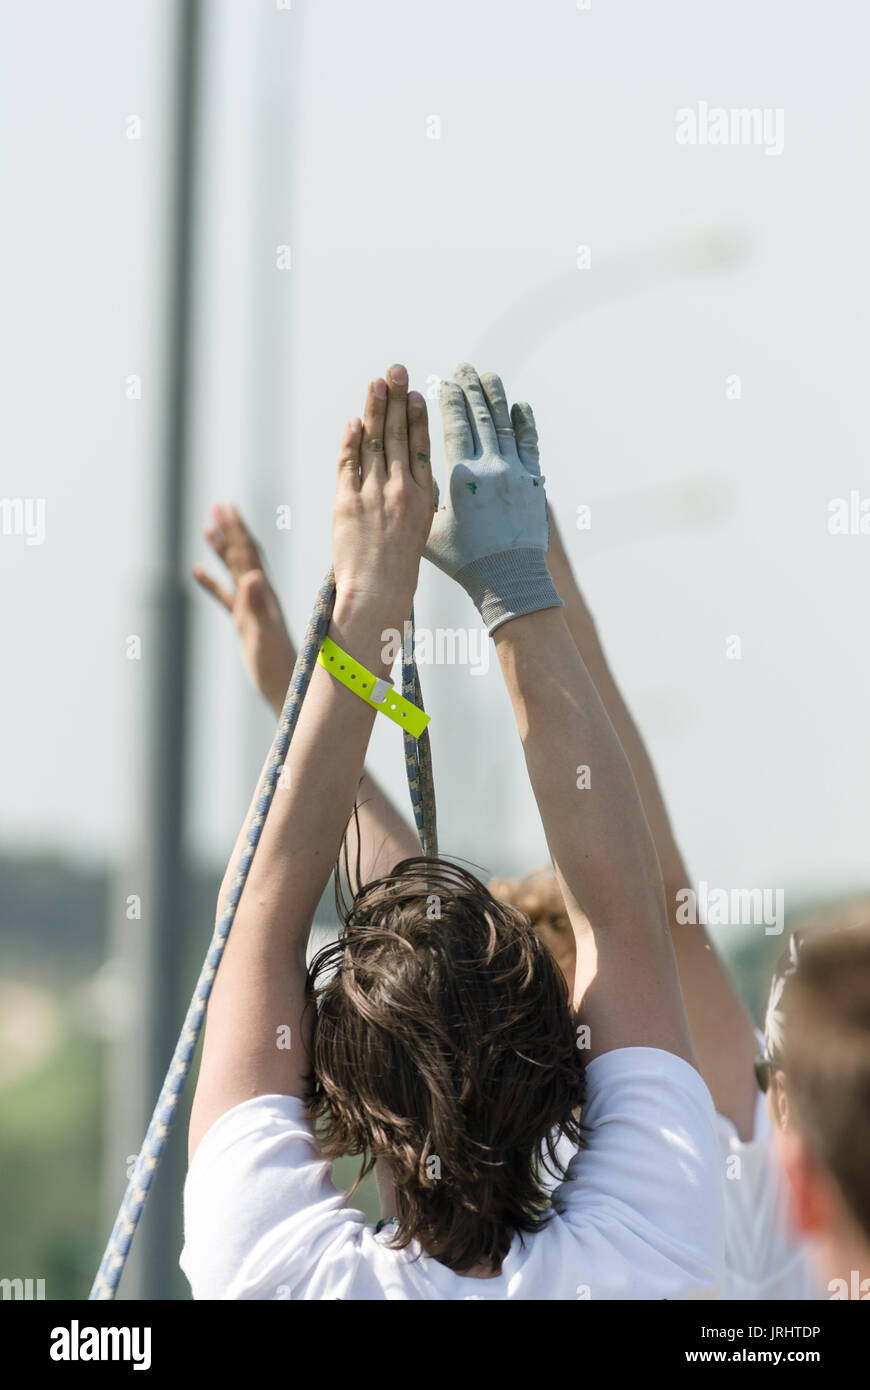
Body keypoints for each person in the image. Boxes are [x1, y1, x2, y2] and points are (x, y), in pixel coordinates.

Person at [179, 362, 722, 1299]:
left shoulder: (277, 1275)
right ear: (564, 1059)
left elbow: (258, 916)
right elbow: (628, 921)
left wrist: (366, 611)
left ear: (335, 1091)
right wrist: (513, 584)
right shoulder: (652, 1255)